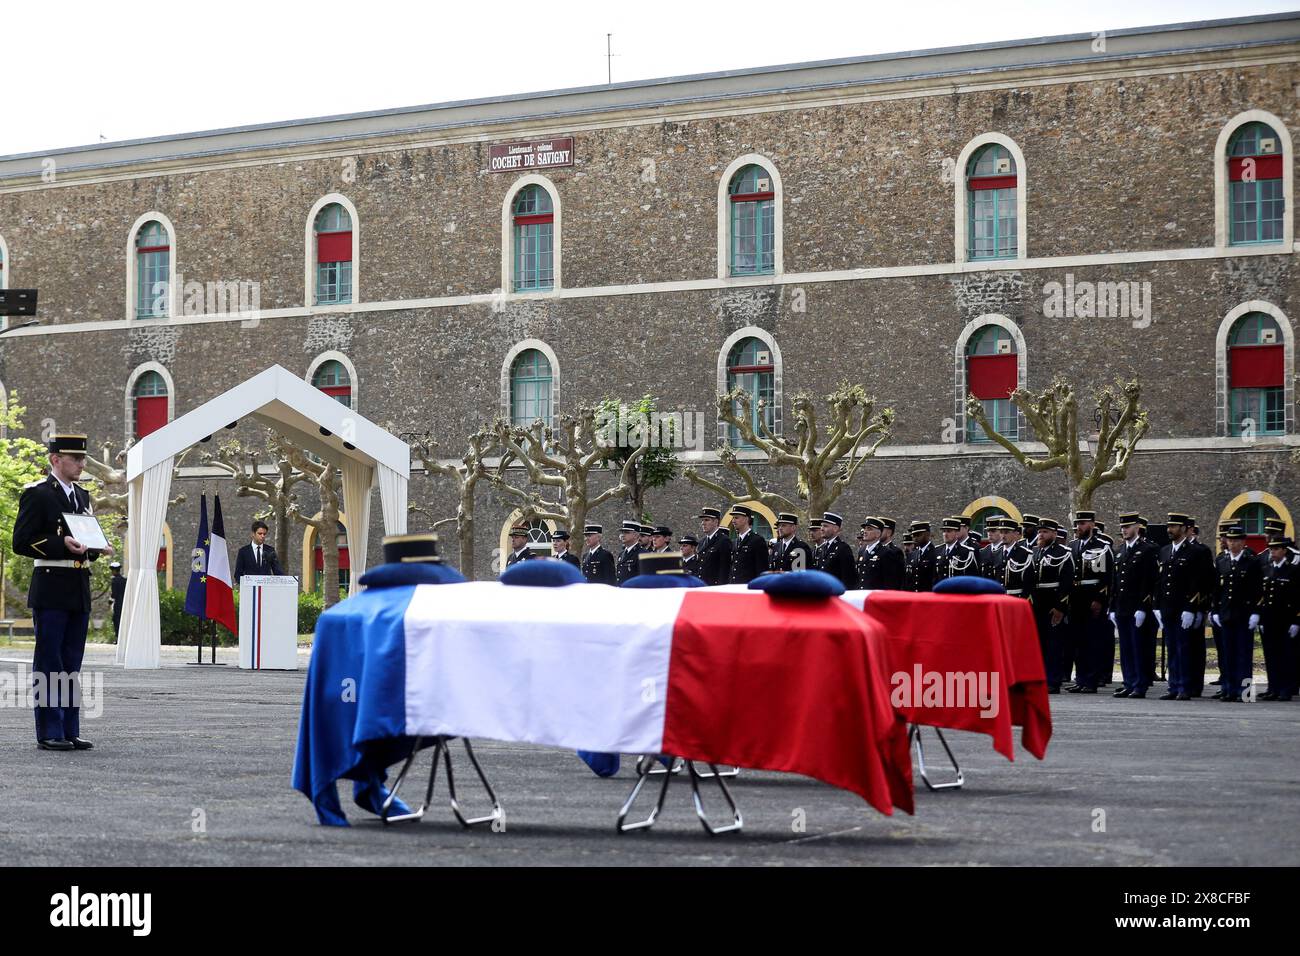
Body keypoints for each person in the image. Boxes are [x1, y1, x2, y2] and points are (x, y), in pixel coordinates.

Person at [12, 433, 113, 751]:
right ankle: (50, 731)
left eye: (83, 458)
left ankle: (70, 728)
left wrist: (98, 547)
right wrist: (60, 544)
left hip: (77, 586)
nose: (82, 464)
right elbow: (21, 540)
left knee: (72, 662)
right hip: (52, 585)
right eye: (76, 459)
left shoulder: (82, 496)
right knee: (50, 661)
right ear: (56, 459)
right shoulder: (38, 494)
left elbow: (86, 539)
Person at [1156, 512, 1215, 701]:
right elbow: (1161, 581)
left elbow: (1200, 582)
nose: (1169, 530)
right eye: (1168, 526)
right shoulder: (1165, 551)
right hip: (1168, 608)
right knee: (1172, 648)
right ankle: (1173, 686)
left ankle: (1185, 686)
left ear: (1183, 528)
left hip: (1184, 608)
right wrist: (1157, 605)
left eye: (1173, 527)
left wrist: (1192, 607)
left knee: (1185, 649)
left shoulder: (1196, 552)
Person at [1111, 511, 1159, 698]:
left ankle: (1140, 684)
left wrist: (1143, 606)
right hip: (1122, 606)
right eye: (1122, 527)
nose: (1124, 530)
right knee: (1125, 648)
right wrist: (1112, 607)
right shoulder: (1121, 551)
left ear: (1137, 528)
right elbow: (1116, 582)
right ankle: (1129, 682)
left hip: (1137, 606)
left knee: (1138, 647)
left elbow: (1149, 581)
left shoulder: (1147, 550)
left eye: (1128, 527)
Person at [1066, 510, 1114, 694]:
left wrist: (1099, 599)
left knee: (1092, 641)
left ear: (1092, 524)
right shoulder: (1072, 545)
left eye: (1083, 523)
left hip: (1092, 598)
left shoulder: (1101, 546)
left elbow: (1106, 577)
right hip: (1076, 598)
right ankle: (1081, 679)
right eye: (1078, 524)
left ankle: (1091, 681)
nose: (1079, 527)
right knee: (1077, 642)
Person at [1211, 526, 1261, 703]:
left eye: (1236, 541)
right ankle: (1228, 689)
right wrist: (1215, 611)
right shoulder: (1222, 561)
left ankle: (1246, 692)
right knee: (1228, 654)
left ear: (1243, 542)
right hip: (1226, 614)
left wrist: (1256, 612)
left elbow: (1258, 590)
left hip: (1244, 615)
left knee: (1244, 655)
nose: (1232, 544)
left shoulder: (1251, 562)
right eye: (1230, 540)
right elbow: (1217, 589)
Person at [1032, 519, 1075, 694]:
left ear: (1054, 534)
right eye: (1040, 532)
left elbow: (1066, 582)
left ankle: (1053, 680)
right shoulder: (1034, 552)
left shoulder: (1063, 553)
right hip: (1036, 604)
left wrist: (1060, 607)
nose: (1041, 535)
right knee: (1039, 644)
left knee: (1053, 645)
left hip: (1053, 604)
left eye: (1045, 532)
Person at [1258, 537, 1299, 701]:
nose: (1272, 552)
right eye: (1270, 549)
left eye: (1276, 549)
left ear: (1284, 551)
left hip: (1286, 620)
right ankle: (1273, 687)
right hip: (1269, 619)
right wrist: (1260, 618)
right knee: (1270, 655)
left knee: (1286, 655)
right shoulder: (1266, 570)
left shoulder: (1294, 571)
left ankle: (1286, 689)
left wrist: (1297, 621)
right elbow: (1262, 596)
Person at [856, 517, 905, 590]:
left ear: (878, 534)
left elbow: (890, 583)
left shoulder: (886, 553)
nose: (865, 531)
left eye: (869, 529)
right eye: (865, 528)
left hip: (876, 597)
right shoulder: (862, 551)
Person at [233, 519, 284, 585]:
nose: (263, 536)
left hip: (266, 589)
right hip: (249, 590)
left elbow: (278, 572)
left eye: (264, 534)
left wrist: (284, 582)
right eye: (260, 533)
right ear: (253, 534)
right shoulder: (243, 551)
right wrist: (243, 586)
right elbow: (238, 574)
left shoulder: (270, 550)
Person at [727, 506, 769, 584]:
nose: (733, 521)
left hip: (748, 587)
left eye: (736, 518)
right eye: (733, 518)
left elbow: (762, 569)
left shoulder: (757, 540)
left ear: (746, 519)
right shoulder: (735, 542)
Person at [934, 516, 978, 584]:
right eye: (944, 531)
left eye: (949, 531)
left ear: (957, 533)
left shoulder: (966, 552)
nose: (945, 534)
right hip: (941, 592)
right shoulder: (937, 550)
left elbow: (971, 578)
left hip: (957, 591)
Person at [696, 507, 732, 586]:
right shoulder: (702, 542)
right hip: (702, 585)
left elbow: (725, 569)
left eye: (707, 520)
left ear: (716, 522)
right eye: (702, 520)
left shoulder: (723, 541)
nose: (703, 523)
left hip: (714, 587)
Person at [904, 521, 937, 592]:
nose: (915, 538)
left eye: (918, 535)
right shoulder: (912, 555)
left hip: (928, 597)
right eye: (913, 535)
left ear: (927, 534)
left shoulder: (935, 553)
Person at [615, 520, 644, 586]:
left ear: (636, 535)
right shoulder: (621, 554)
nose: (623, 535)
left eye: (626, 532)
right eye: (622, 532)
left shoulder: (642, 554)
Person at [108, 561, 126, 638]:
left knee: (117, 620)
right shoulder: (125, 580)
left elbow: (114, 594)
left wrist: (110, 601)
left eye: (112, 570)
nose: (112, 572)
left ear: (115, 570)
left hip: (118, 604)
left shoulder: (114, 580)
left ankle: (118, 637)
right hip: (125, 603)